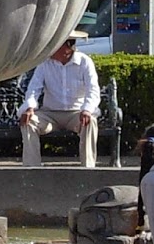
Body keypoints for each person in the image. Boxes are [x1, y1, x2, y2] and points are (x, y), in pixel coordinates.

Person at [16, 31, 101, 168]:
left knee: (90, 122)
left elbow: (93, 89)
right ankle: (31, 168)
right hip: (50, 114)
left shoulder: (85, 62)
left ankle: (88, 168)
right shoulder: (44, 63)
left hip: (76, 113)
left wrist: (87, 110)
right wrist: (30, 107)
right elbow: (34, 88)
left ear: (67, 46)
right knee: (28, 121)